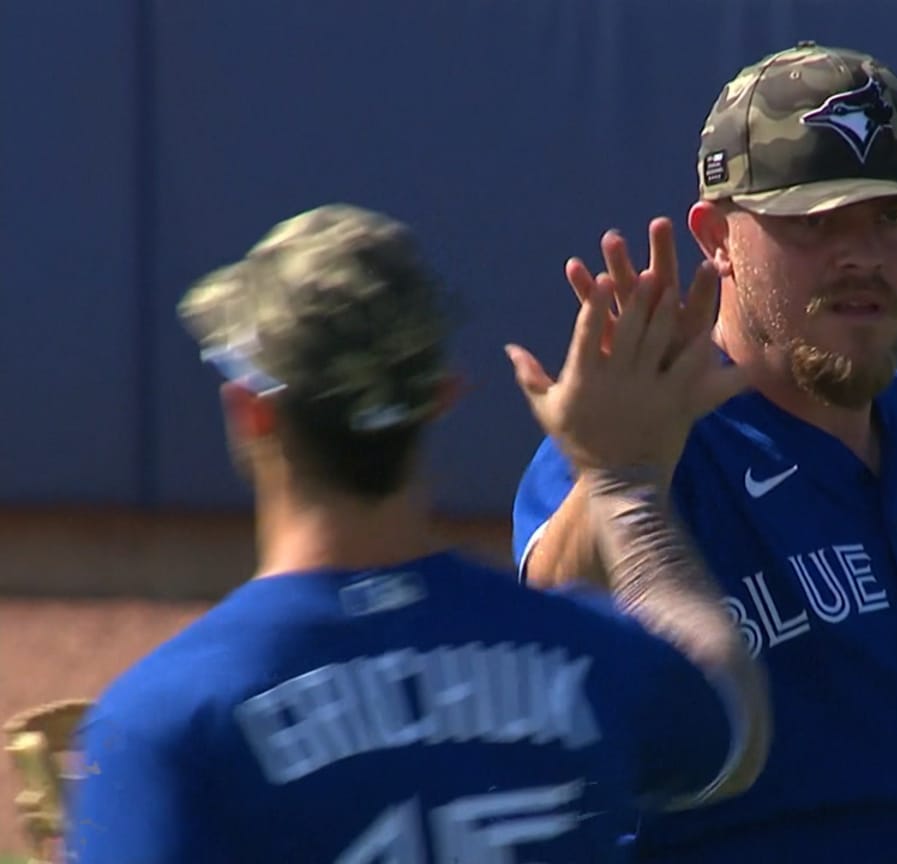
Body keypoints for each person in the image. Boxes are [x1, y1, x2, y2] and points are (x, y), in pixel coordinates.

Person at [64, 203, 770, 863]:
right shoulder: (595, 660)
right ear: (442, 396)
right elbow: (733, 725)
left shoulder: (170, 721)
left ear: (250, 410)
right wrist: (626, 485)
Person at [510, 42, 897, 863]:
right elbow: (547, 615)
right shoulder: (651, 442)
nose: (862, 254)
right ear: (717, 236)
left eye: (892, 217)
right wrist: (614, 474)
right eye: (815, 222)